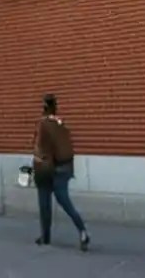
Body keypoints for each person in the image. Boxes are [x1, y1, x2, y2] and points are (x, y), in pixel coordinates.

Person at [32, 94, 90, 251]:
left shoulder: (43, 125)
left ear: (43, 108)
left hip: (46, 170)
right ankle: (82, 231)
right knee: (66, 202)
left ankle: (46, 237)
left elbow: (40, 148)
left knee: (45, 204)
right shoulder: (61, 123)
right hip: (64, 168)